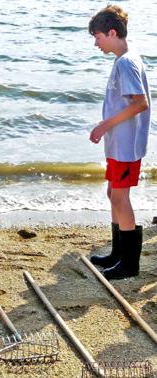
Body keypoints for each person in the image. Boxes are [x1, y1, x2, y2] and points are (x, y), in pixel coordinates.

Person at [88, 5, 151, 280]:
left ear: (112, 33)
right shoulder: (123, 59)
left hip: (126, 145)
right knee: (112, 192)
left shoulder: (126, 62)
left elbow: (140, 103)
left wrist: (105, 125)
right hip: (118, 143)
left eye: (98, 37)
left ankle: (129, 264)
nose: (96, 43)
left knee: (119, 197)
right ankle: (118, 253)